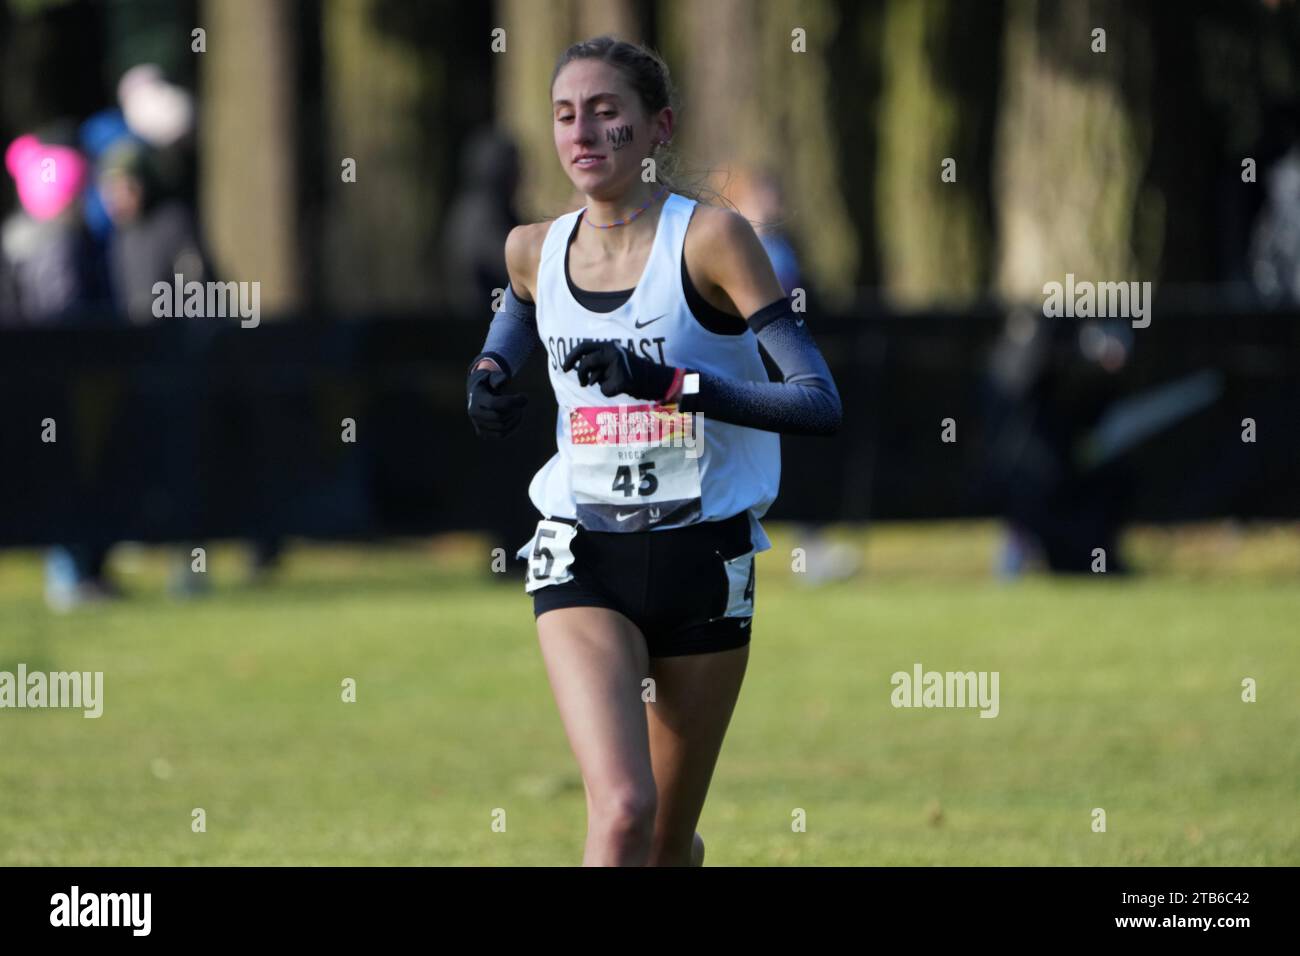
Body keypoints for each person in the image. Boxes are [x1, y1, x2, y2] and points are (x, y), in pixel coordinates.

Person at [465, 36, 842, 866]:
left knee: (668, 843)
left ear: (657, 126)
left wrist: (673, 386)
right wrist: (488, 370)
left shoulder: (712, 240)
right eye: (566, 116)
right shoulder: (531, 246)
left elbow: (818, 402)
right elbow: (522, 306)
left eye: (607, 113)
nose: (583, 134)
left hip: (703, 561)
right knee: (625, 811)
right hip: (580, 553)